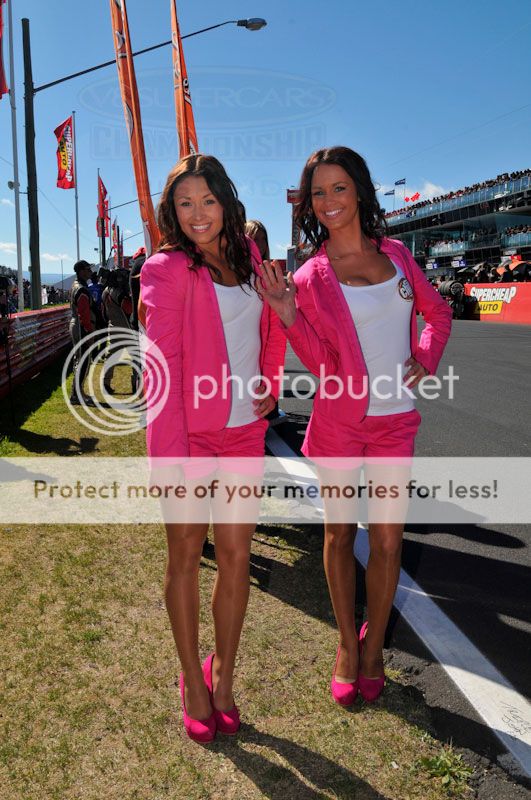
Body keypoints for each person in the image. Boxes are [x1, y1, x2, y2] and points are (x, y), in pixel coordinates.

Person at [260, 146, 452, 705]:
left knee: (388, 542)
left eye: (338, 187)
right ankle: (348, 643)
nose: (329, 201)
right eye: (318, 192)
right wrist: (288, 314)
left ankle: (373, 651)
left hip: (395, 424)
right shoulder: (309, 276)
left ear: (360, 191)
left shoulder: (397, 254)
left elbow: (438, 313)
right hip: (340, 426)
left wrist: (425, 355)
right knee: (340, 535)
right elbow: (323, 364)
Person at [140, 154, 286, 742]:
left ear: (225, 200)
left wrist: (270, 382)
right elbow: (162, 369)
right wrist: (170, 457)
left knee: (235, 558)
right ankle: (192, 682)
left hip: (244, 433)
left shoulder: (249, 259)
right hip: (191, 438)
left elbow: (270, 328)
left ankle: (222, 677)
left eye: (207, 200)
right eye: (184, 203)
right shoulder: (166, 269)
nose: (197, 213)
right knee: (184, 557)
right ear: (171, 212)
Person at [69, 260, 98, 405]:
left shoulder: (77, 285)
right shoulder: (81, 289)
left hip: (78, 325)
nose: (90, 272)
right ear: (81, 271)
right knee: (83, 360)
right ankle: (77, 395)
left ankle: (78, 392)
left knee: (81, 360)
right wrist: (89, 331)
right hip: (82, 327)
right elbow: (84, 313)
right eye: (88, 269)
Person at [101, 269, 133, 395]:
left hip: (112, 325)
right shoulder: (118, 292)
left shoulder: (105, 291)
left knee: (111, 356)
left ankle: (106, 382)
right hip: (126, 328)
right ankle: (136, 382)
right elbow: (128, 309)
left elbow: (103, 311)